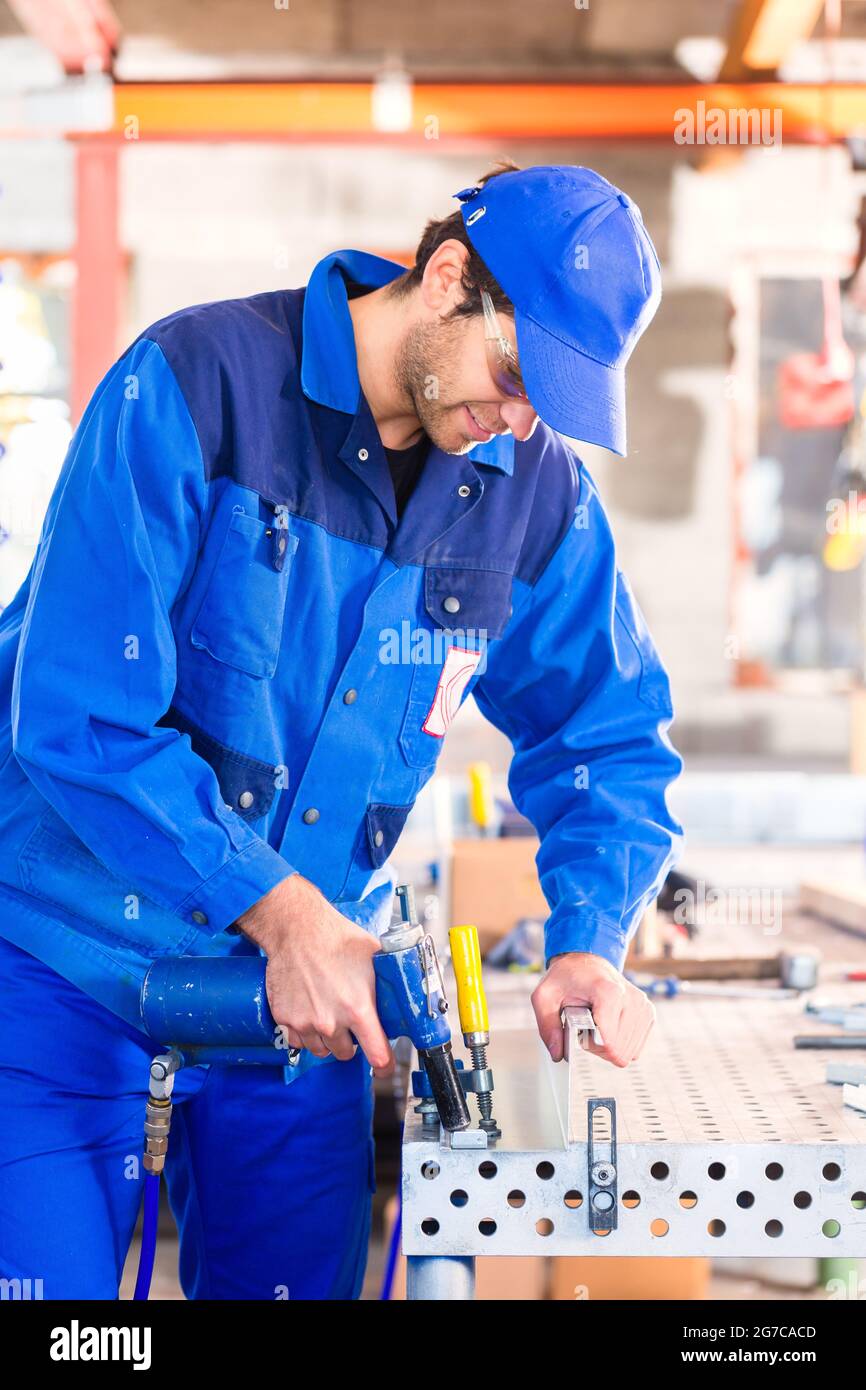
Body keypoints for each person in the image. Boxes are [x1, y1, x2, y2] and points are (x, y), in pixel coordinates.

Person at [0, 162, 682, 1299]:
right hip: (65, 973)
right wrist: (280, 910)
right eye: (514, 374)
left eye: (547, 406)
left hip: (298, 1019)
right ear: (448, 277)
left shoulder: (530, 490)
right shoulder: (193, 385)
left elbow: (604, 734)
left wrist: (582, 941)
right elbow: (77, 716)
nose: (513, 422)